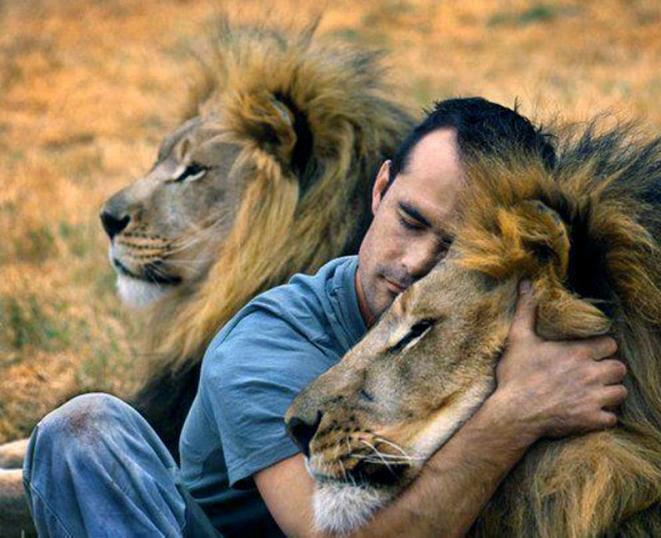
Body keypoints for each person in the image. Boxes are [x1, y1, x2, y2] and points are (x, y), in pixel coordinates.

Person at [23, 98, 627, 537]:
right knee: (85, 429)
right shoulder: (266, 342)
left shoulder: (503, 318)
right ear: (379, 189)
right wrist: (514, 416)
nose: (415, 264)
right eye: (410, 221)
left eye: (454, 248)